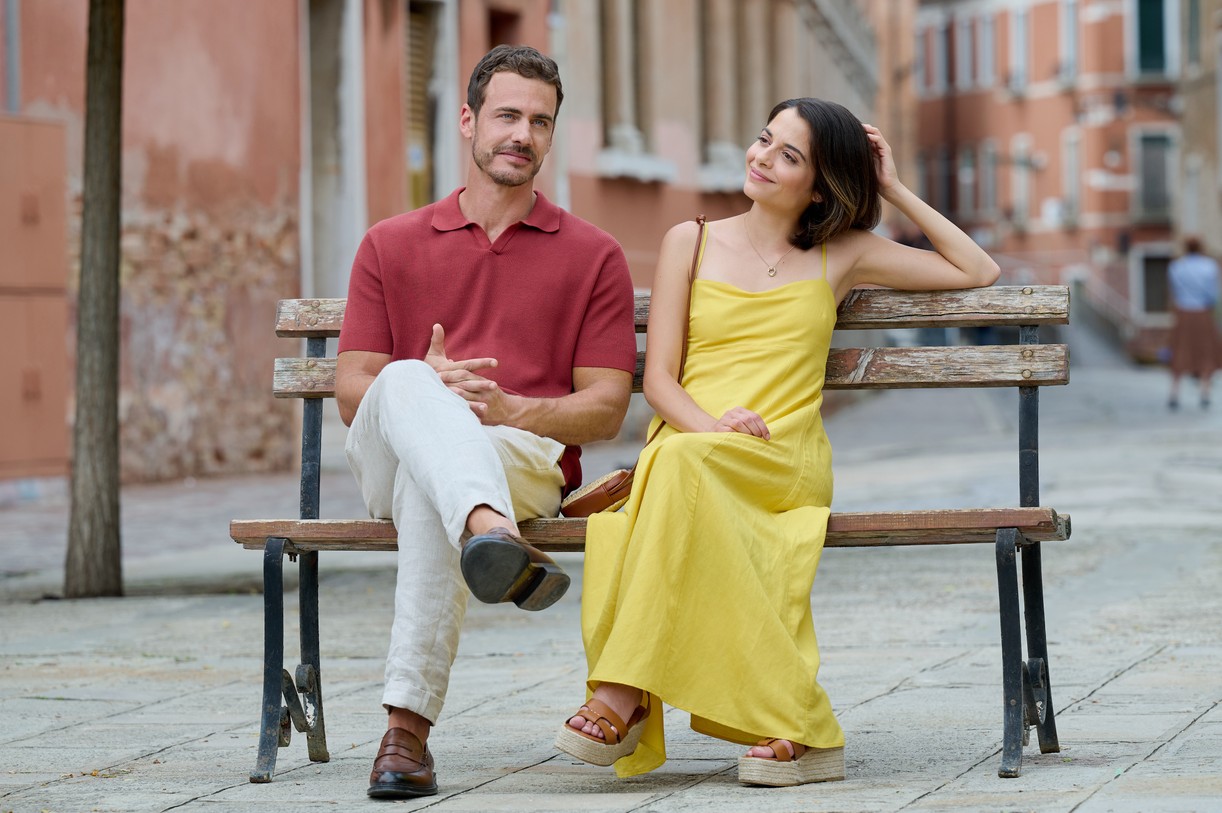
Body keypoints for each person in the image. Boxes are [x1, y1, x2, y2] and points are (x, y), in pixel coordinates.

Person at [555, 98, 999, 786]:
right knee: (675, 460)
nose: (761, 157)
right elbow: (663, 380)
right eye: (764, 139)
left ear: (819, 186)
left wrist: (894, 187)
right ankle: (796, 719)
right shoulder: (689, 240)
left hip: (782, 459)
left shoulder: (842, 252)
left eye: (788, 155)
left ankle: (623, 689)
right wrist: (711, 425)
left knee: (672, 468)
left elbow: (976, 270)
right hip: (697, 444)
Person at [336, 45, 637, 799]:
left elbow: (605, 407)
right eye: (507, 115)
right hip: (393, 443)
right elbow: (351, 390)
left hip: (518, 456)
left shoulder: (594, 255)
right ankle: (488, 531)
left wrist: (508, 409)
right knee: (406, 376)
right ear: (468, 120)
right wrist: (429, 389)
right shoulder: (389, 242)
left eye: (540, 121)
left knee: (426, 494)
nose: (522, 134)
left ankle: (405, 733)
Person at [1166, 236, 1220, 409]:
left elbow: (1174, 291)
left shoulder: (1176, 267)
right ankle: (1205, 393)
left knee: (1180, 351)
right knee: (1206, 352)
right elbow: (1213, 293)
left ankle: (1174, 393)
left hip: (1183, 313)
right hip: (1203, 312)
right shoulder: (1209, 266)